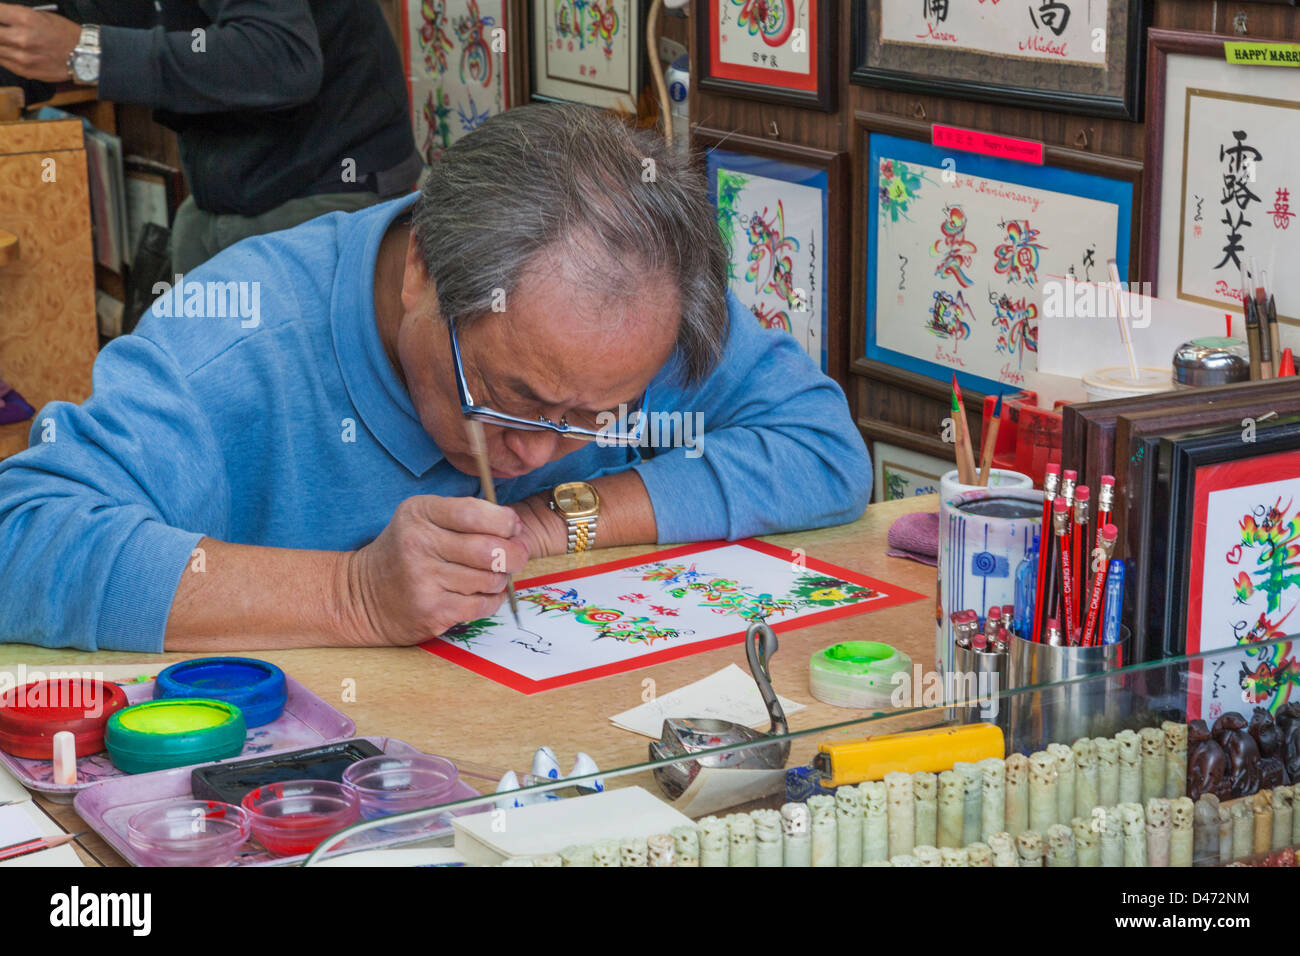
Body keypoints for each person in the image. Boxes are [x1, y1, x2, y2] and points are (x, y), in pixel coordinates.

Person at [0, 103, 872, 654]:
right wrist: (351, 598)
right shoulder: (235, 334)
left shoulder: (647, 311)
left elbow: (824, 450)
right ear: (422, 266)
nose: (536, 449)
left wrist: (555, 522)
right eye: (512, 397)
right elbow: (24, 537)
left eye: (600, 415)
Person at [0, 0, 420, 272]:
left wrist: (91, 52)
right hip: (220, 197)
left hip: (330, 190)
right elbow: (49, 32)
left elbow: (282, 56)